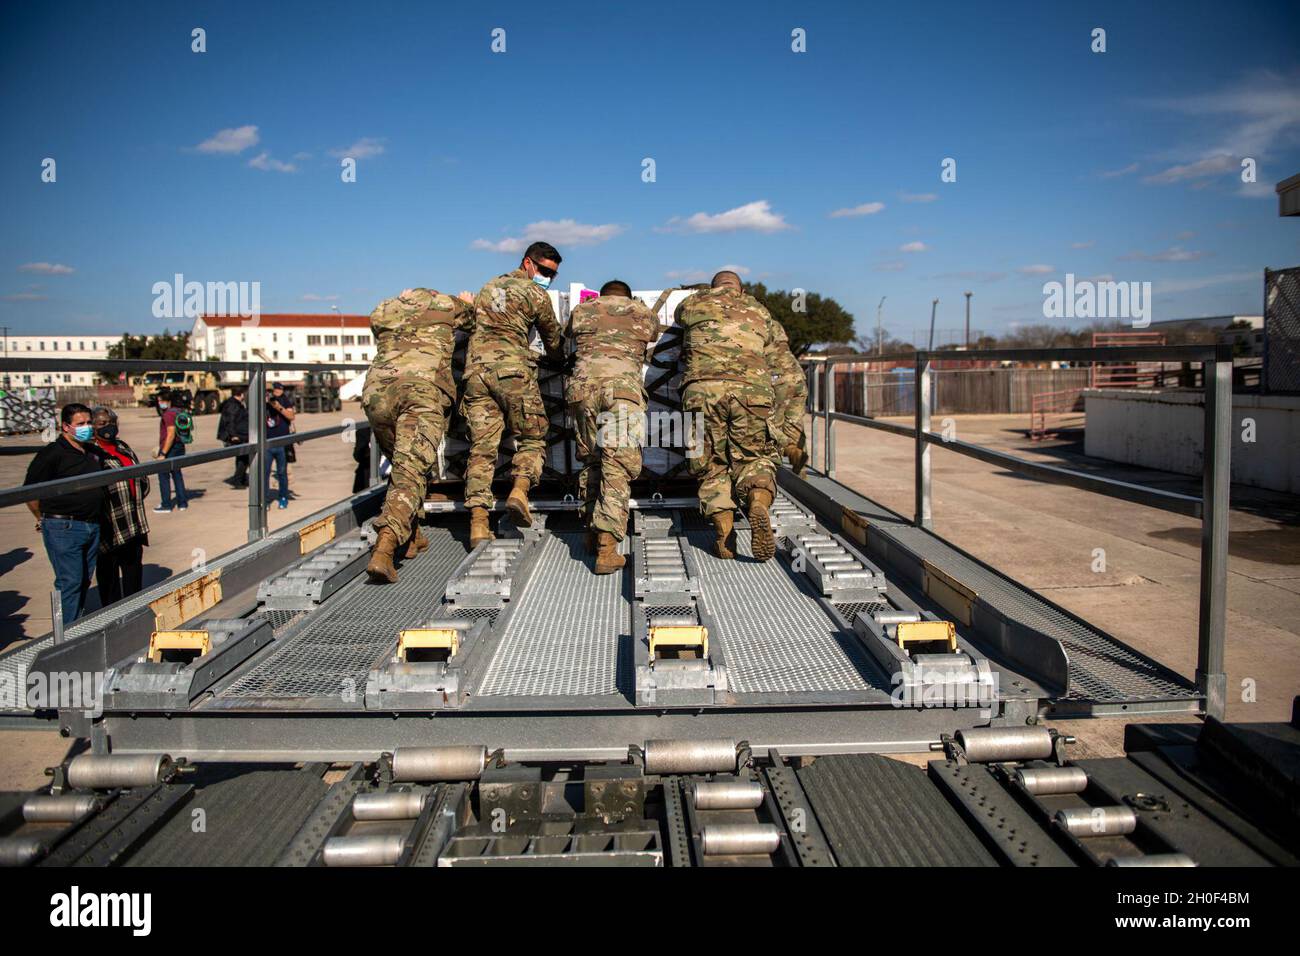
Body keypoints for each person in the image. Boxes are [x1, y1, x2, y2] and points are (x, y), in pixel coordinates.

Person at [361, 287, 476, 582]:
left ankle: (412, 535)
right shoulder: (445, 304)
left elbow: (379, 325)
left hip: (378, 394)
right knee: (410, 471)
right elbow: (475, 321)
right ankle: (384, 549)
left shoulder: (384, 307)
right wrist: (465, 303)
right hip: (420, 393)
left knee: (405, 468)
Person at [675, 270, 784, 562]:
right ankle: (757, 502)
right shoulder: (759, 309)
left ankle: (724, 538)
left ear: (713, 286)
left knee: (710, 464)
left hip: (702, 390)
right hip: (753, 391)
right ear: (741, 288)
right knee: (754, 456)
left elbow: (678, 318)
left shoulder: (694, 302)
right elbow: (771, 342)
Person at [461, 240, 564, 547]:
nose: (547, 277)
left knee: (482, 447)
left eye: (552, 274)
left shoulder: (489, 288)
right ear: (527, 263)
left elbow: (470, 322)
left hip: (476, 373)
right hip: (512, 372)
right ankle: (519, 491)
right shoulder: (535, 294)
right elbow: (553, 339)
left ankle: (478, 523)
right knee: (533, 435)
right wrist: (560, 360)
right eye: (545, 270)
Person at [566, 280, 658, 573]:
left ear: (601, 295)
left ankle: (592, 532)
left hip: (582, 392)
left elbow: (565, 337)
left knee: (592, 459)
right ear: (628, 296)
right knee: (616, 464)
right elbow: (654, 334)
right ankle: (607, 547)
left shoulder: (582, 310)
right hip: (622, 393)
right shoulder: (641, 312)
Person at [23, 403, 106, 624]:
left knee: (83, 580)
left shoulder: (92, 452)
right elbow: (30, 492)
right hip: (64, 527)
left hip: (91, 525)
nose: (86, 427)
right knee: (70, 581)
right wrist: (44, 519)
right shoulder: (52, 454)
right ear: (66, 427)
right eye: (81, 424)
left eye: (89, 423)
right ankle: (66, 635)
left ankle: (76, 624)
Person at [90, 406, 150, 605]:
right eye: (102, 423)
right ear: (93, 426)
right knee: (109, 577)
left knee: (133, 572)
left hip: (132, 521)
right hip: (109, 525)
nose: (109, 427)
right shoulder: (91, 452)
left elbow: (140, 474)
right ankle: (112, 616)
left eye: (112, 422)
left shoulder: (123, 446)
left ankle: (133, 610)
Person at [767, 319, 809, 476]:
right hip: (797, 375)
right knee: (794, 425)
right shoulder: (776, 323)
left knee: (773, 425)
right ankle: (799, 464)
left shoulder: (754, 321)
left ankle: (773, 472)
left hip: (777, 377)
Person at [154, 389, 189, 512]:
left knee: (163, 475)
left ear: (167, 401)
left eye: (160, 401)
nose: (159, 403)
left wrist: (163, 453)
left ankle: (166, 504)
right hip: (179, 446)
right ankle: (182, 503)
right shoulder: (178, 411)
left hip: (171, 448)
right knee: (177, 475)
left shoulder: (168, 414)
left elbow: (170, 434)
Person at [264, 382, 295, 509]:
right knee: (264, 473)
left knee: (282, 472)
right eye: (272, 390)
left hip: (282, 442)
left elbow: (291, 416)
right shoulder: (263, 402)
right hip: (267, 443)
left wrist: (278, 407)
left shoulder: (284, 401)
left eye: (277, 390)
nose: (275, 392)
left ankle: (283, 496)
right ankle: (265, 499)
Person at [217, 386, 250, 487]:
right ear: (241, 394)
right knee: (243, 458)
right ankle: (238, 480)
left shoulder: (235, 404)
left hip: (240, 434)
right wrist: (234, 435)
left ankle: (241, 479)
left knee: (242, 457)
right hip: (237, 435)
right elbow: (230, 421)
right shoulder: (232, 405)